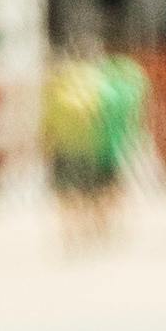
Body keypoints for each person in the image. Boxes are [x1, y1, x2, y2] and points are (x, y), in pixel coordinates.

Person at [42, 36, 148, 249]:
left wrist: (45, 141)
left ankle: (71, 230)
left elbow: (48, 117)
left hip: (65, 145)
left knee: (69, 191)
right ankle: (102, 226)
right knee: (103, 188)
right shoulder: (108, 82)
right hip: (100, 144)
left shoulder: (60, 83)